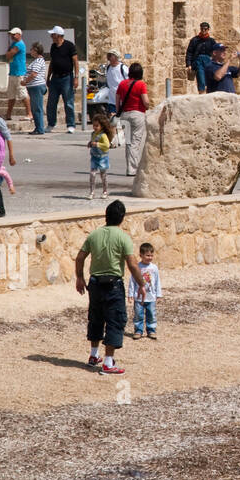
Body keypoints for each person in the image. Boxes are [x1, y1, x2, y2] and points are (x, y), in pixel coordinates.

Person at [76, 199, 148, 375]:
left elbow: (80, 257)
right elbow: (132, 264)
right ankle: (108, 362)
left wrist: (79, 277)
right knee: (115, 320)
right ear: (122, 218)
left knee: (96, 318)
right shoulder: (123, 237)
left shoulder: (94, 235)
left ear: (106, 216)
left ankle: (94, 355)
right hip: (113, 285)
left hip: (94, 283)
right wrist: (142, 284)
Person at [115, 63, 149, 176]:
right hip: (137, 114)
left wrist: (119, 112)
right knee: (135, 142)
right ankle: (133, 169)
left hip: (125, 115)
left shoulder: (122, 84)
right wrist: (148, 107)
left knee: (129, 142)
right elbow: (146, 101)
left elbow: (117, 100)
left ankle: (129, 167)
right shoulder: (141, 84)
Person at [46, 26, 79, 132]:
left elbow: (75, 61)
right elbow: (52, 61)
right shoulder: (53, 47)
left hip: (66, 78)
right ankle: (51, 123)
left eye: (53, 35)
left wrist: (76, 77)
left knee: (68, 102)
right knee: (51, 102)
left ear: (58, 35)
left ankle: (71, 125)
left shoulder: (69, 46)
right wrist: (48, 76)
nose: (51, 37)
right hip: (55, 78)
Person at [127, 242, 161, 340]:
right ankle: (138, 330)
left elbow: (157, 281)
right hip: (139, 297)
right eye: (147, 255)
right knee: (138, 314)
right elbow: (132, 281)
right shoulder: (137, 267)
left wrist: (158, 294)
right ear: (141, 255)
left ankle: (151, 330)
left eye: (151, 255)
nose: (150, 257)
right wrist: (130, 294)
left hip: (151, 296)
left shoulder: (154, 268)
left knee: (151, 314)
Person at [4, 27, 29, 126]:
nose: (12, 36)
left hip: (19, 73)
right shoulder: (13, 44)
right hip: (13, 72)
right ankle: (8, 114)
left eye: (14, 34)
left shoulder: (19, 44)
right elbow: (8, 54)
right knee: (11, 95)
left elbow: (9, 54)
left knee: (23, 93)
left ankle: (29, 113)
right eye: (11, 34)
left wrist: (9, 52)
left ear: (19, 34)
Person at [22, 41, 48, 135]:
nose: (30, 51)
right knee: (35, 107)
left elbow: (34, 74)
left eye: (32, 49)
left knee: (37, 108)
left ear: (36, 50)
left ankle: (40, 128)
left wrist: (25, 81)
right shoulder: (36, 61)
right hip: (33, 87)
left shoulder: (38, 61)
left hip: (36, 86)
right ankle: (38, 127)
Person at [87, 113, 114, 199]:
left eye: (97, 126)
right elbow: (92, 141)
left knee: (103, 176)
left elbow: (107, 145)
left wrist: (97, 144)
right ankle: (92, 192)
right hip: (94, 157)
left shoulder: (103, 135)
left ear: (102, 126)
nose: (94, 127)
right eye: (93, 125)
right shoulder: (93, 134)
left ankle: (105, 191)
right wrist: (90, 143)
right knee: (92, 174)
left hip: (102, 157)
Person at [185, 22, 217, 94]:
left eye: (205, 29)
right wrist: (189, 64)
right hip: (198, 62)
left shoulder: (211, 41)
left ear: (208, 29)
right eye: (202, 29)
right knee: (201, 80)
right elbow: (189, 52)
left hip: (209, 62)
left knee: (209, 80)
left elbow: (216, 52)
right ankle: (202, 96)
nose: (203, 31)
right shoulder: (195, 40)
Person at [99, 50, 127, 115]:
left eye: (111, 56)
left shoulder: (123, 68)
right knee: (113, 120)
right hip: (112, 100)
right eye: (108, 56)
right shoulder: (108, 68)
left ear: (116, 57)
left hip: (122, 100)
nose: (109, 57)